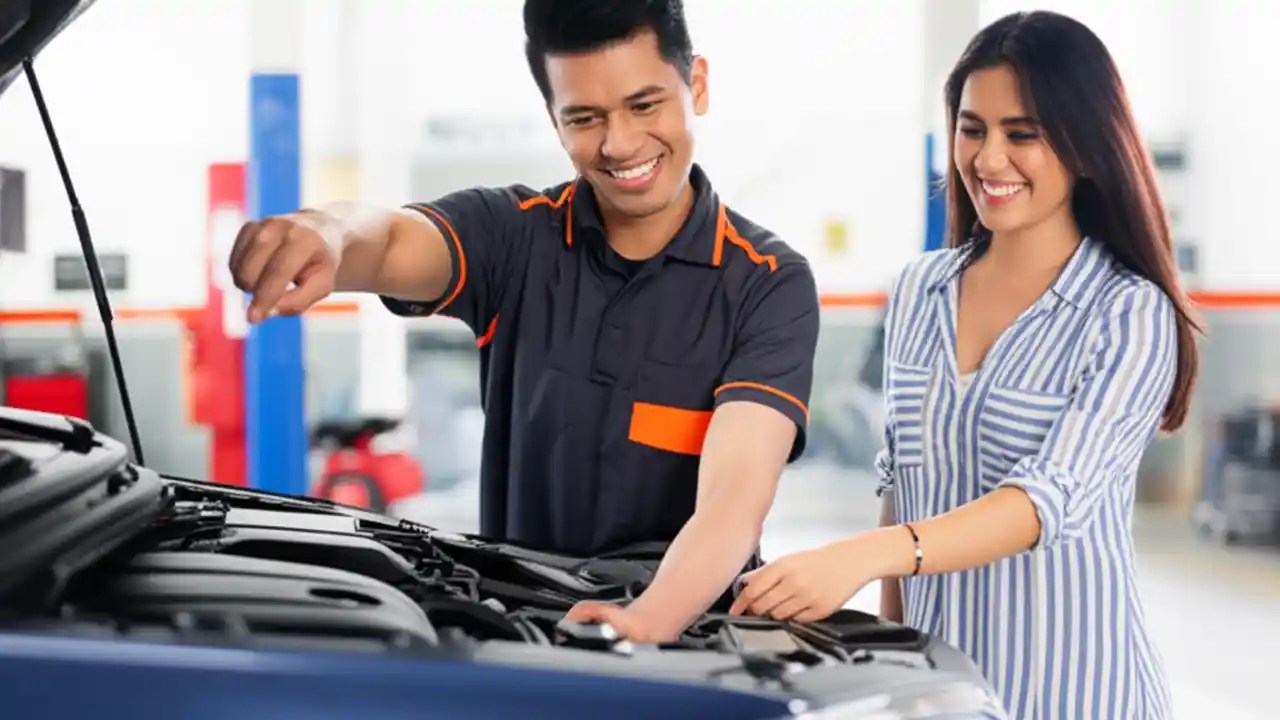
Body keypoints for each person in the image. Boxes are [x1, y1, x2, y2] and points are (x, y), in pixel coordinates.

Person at [228, 0, 819, 644]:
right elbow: (395, 240)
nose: (618, 144)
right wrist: (329, 229)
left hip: (691, 642)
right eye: (584, 118)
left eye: (644, 106)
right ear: (554, 119)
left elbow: (733, 503)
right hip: (521, 636)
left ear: (696, 85)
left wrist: (643, 623)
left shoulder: (767, 283)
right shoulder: (514, 239)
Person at [728, 11, 1198, 720]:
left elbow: (1047, 500)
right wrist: (892, 667)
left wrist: (860, 555)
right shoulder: (920, 290)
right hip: (941, 701)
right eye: (972, 128)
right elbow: (902, 484)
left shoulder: (1128, 314)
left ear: (1086, 148)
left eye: (1023, 135)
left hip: (1078, 696)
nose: (987, 158)